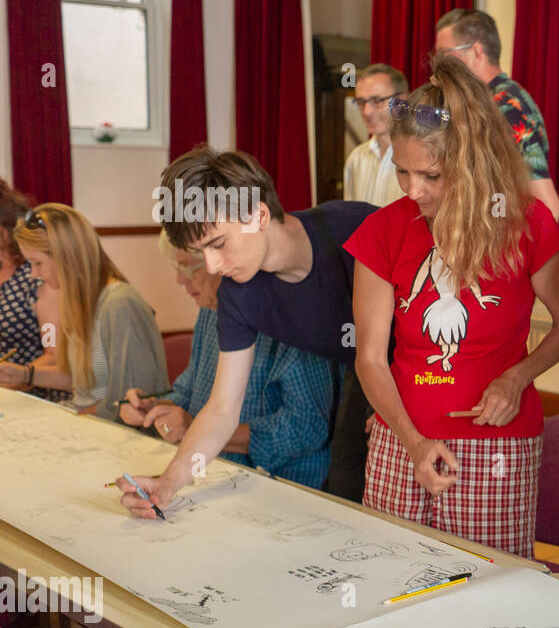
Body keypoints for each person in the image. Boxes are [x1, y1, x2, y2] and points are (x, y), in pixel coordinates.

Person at [343, 56, 559, 558]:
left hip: (496, 447)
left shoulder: (526, 224)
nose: (414, 191)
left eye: (431, 174)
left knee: (489, 596)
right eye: (403, 172)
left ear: (473, 162)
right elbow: (369, 358)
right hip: (400, 440)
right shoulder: (383, 230)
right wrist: (411, 441)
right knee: (390, 583)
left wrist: (517, 378)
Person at [115, 146, 376, 517]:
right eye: (200, 251)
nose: (213, 264)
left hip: (430, 370)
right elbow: (222, 409)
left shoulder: (354, 226)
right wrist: (170, 480)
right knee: (357, 502)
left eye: (218, 244)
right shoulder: (240, 293)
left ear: (259, 214)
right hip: (365, 374)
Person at [118, 232, 336, 487]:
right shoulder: (211, 312)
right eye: (177, 268)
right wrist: (155, 407)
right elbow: (190, 391)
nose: (180, 280)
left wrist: (195, 431)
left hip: (281, 487)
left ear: (222, 262)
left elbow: (308, 429)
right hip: (216, 473)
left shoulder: (293, 318)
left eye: (188, 268)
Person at [1, 204, 168, 417]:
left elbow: (129, 404)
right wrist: (24, 374)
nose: (33, 275)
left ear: (65, 256)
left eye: (37, 263)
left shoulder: (120, 304)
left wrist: (71, 420)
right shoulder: (79, 303)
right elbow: (80, 383)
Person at [433, 9, 559, 221]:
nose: (440, 65)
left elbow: (547, 205)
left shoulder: (508, 107)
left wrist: (506, 250)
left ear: (475, 52)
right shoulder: (482, 100)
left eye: (445, 54)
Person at [0, 180, 66, 402]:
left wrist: (19, 375)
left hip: (35, 398)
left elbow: (53, 353)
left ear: (3, 233)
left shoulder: (38, 276)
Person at [343, 63, 409, 206]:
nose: (367, 111)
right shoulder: (356, 159)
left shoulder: (422, 157)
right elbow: (350, 219)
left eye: (377, 101)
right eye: (361, 102)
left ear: (402, 100)